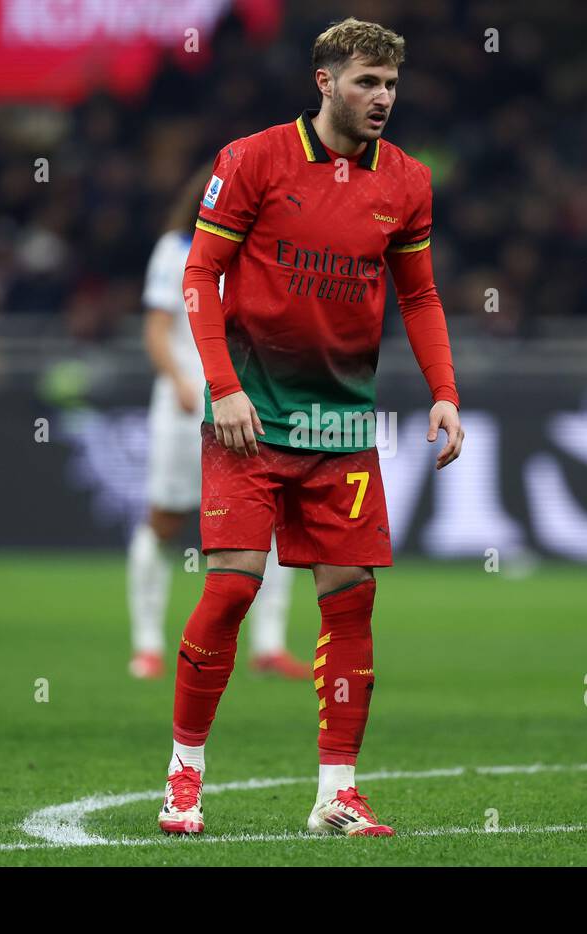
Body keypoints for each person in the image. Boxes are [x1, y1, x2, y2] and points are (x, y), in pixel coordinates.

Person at [158, 17, 464, 837]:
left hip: (342, 427)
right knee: (231, 588)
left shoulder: (406, 182)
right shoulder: (251, 159)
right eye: (367, 81)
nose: (382, 98)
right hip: (249, 418)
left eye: (392, 84)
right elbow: (200, 273)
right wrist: (223, 388)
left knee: (352, 602)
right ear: (324, 81)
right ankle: (185, 774)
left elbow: (421, 296)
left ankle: (337, 792)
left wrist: (444, 391)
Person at [129, 167, 309, 681]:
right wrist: (181, 380)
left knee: (271, 518)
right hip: (186, 404)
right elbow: (156, 330)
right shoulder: (176, 249)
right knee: (166, 517)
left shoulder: (263, 249)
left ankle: (269, 645)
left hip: (251, 405)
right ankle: (147, 644)